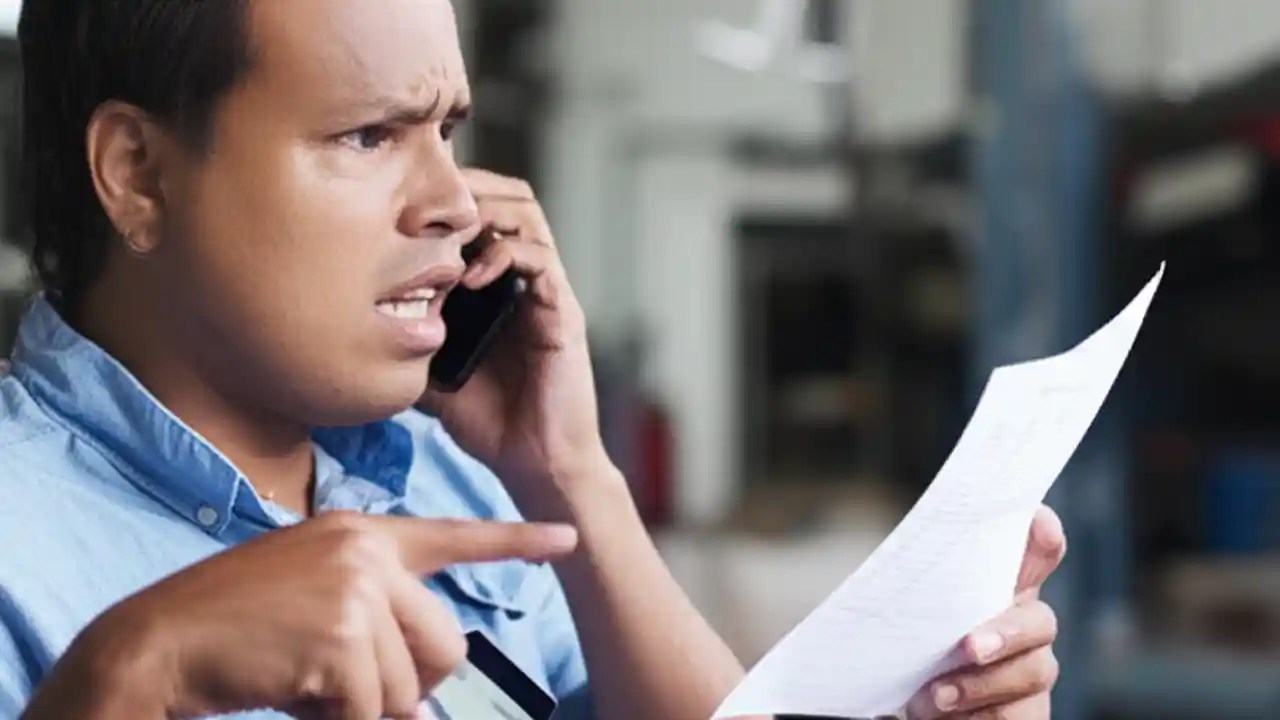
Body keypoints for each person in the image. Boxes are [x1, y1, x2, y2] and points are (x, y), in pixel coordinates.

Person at [0, 1, 1066, 718]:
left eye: (448, 130)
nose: (455, 202)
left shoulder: (457, 490)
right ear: (137, 174)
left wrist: (570, 477)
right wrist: (132, 672)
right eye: (369, 135)